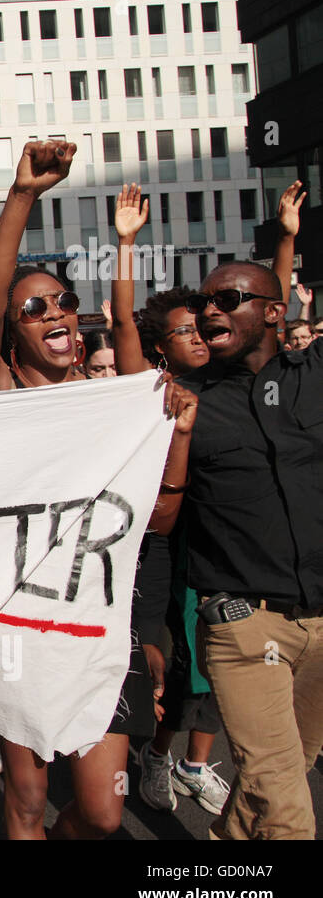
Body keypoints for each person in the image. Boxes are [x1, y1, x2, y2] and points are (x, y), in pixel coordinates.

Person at [0, 143, 196, 840]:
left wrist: (178, 435)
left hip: (104, 628)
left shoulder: (115, 402)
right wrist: (22, 197)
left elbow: (157, 520)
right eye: (37, 307)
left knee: (100, 813)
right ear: (14, 333)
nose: (59, 313)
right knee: (27, 803)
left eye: (65, 301)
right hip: (21, 623)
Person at [153, 260, 323, 839]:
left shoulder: (314, 375)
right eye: (203, 302)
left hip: (321, 623)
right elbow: (159, 520)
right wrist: (177, 441)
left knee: (279, 779)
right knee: (287, 810)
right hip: (244, 625)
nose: (209, 311)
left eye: (228, 298)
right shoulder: (182, 402)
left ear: (275, 313)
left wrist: (288, 238)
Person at [108, 184, 228, 815]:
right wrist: (126, 244)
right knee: (175, 661)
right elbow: (124, 321)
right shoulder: (152, 388)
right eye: (184, 332)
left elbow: (267, 313)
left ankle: (194, 762)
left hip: (225, 546)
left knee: (211, 670)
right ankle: (157, 753)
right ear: (161, 347)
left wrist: (286, 243)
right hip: (168, 544)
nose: (201, 338)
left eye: (204, 327)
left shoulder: (231, 382)